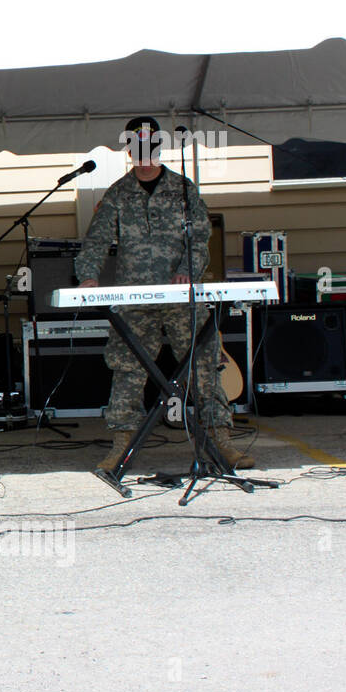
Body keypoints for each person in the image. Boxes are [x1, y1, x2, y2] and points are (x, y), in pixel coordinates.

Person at [75, 116, 252, 472]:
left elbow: (200, 239)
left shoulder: (184, 189)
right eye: (136, 146)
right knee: (127, 370)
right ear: (128, 150)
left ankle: (221, 441)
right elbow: (95, 241)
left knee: (203, 365)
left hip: (180, 297)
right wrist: (88, 277)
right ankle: (122, 445)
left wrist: (188, 268)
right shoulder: (117, 193)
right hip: (134, 299)